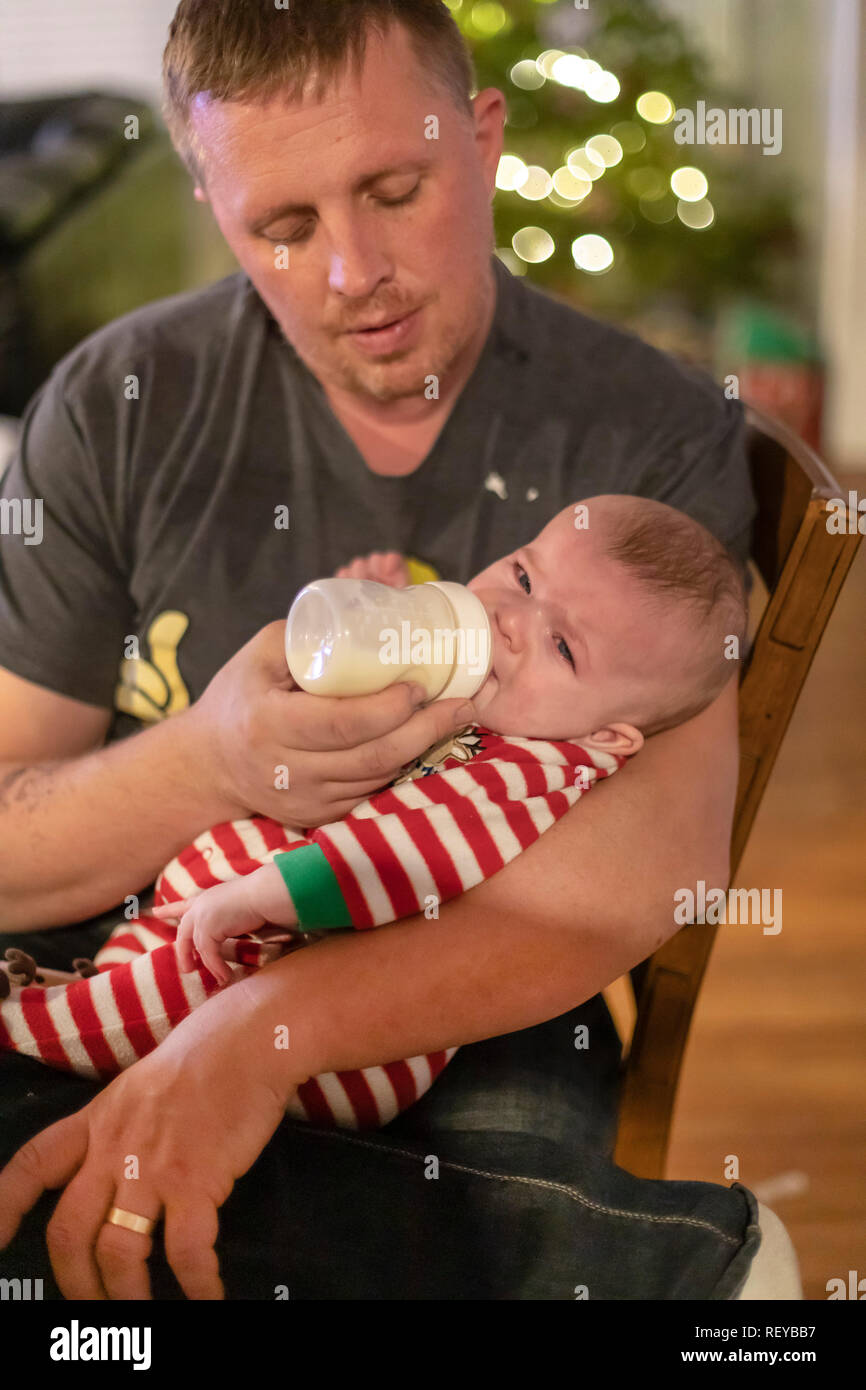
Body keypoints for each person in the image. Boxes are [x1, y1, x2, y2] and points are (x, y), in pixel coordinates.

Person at [0, 1, 787, 1300]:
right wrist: (219, 760)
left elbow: (633, 880)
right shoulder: (118, 407)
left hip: (468, 992)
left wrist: (254, 1042)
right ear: (211, 201)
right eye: (284, 226)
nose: (352, 270)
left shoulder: (640, 442)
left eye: (395, 188)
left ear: (481, 142)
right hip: (141, 946)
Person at [0, 494, 747, 1136]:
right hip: (278, 943)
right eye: (522, 574)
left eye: (561, 645)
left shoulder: (532, 772)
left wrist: (264, 896)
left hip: (347, 1045)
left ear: (608, 737)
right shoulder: (487, 700)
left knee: (199, 962)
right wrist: (376, 628)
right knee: (209, 887)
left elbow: (402, 855)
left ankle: (32, 1029)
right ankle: (87, 987)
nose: (511, 618)